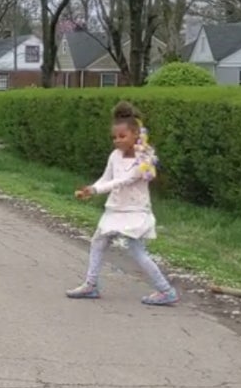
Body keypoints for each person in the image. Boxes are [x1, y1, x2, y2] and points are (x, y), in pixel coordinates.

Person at [66, 101, 179, 306]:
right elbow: (106, 178)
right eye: (114, 137)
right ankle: (90, 284)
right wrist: (90, 189)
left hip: (135, 211)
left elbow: (124, 180)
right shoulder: (114, 156)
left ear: (136, 134)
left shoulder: (144, 160)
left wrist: (97, 190)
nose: (117, 141)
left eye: (122, 136)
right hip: (116, 209)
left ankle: (165, 290)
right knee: (98, 242)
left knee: (137, 250)